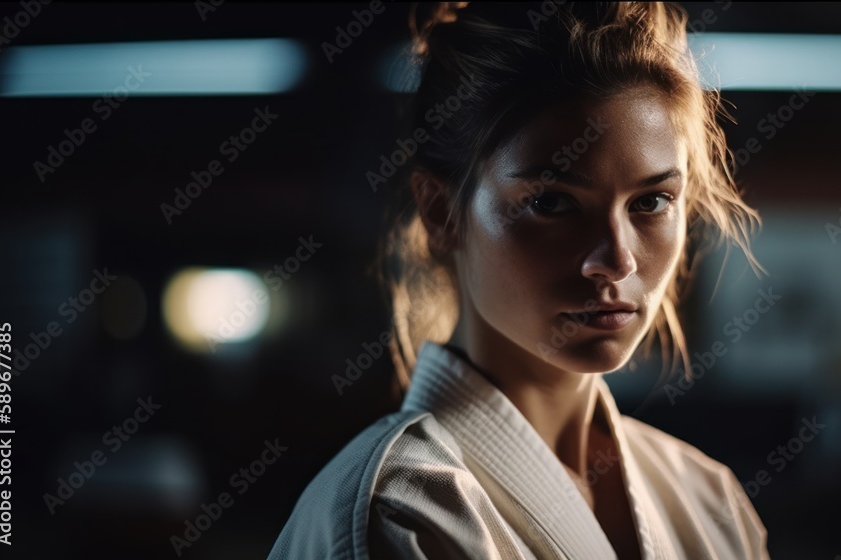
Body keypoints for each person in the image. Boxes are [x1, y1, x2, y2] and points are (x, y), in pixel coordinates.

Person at [269, 2, 770, 558]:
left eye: (651, 202)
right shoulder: (401, 514)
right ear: (441, 212)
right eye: (552, 203)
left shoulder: (708, 499)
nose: (616, 260)